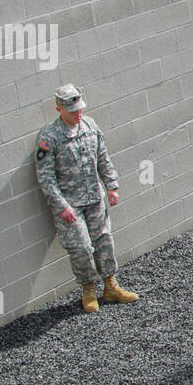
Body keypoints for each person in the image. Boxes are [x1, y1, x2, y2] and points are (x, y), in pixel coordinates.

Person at [35, 85, 139, 313]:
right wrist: (61, 205)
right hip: (70, 207)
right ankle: (88, 290)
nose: (77, 113)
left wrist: (111, 186)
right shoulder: (49, 137)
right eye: (72, 110)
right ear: (59, 109)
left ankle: (111, 286)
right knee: (80, 247)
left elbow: (103, 156)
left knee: (104, 241)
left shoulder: (90, 126)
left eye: (79, 109)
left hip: (94, 199)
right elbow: (46, 178)